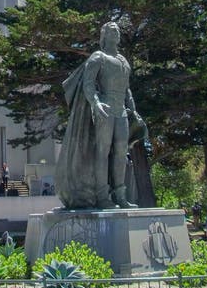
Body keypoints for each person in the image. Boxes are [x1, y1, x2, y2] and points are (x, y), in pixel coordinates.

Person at [54, 21, 148, 209]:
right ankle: (102, 196)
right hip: (105, 109)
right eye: (112, 31)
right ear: (104, 35)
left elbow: (127, 90)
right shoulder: (98, 57)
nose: (116, 33)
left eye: (117, 31)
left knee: (121, 152)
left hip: (121, 111)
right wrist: (95, 103)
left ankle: (120, 196)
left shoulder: (123, 61)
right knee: (102, 152)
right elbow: (88, 84)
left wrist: (134, 110)